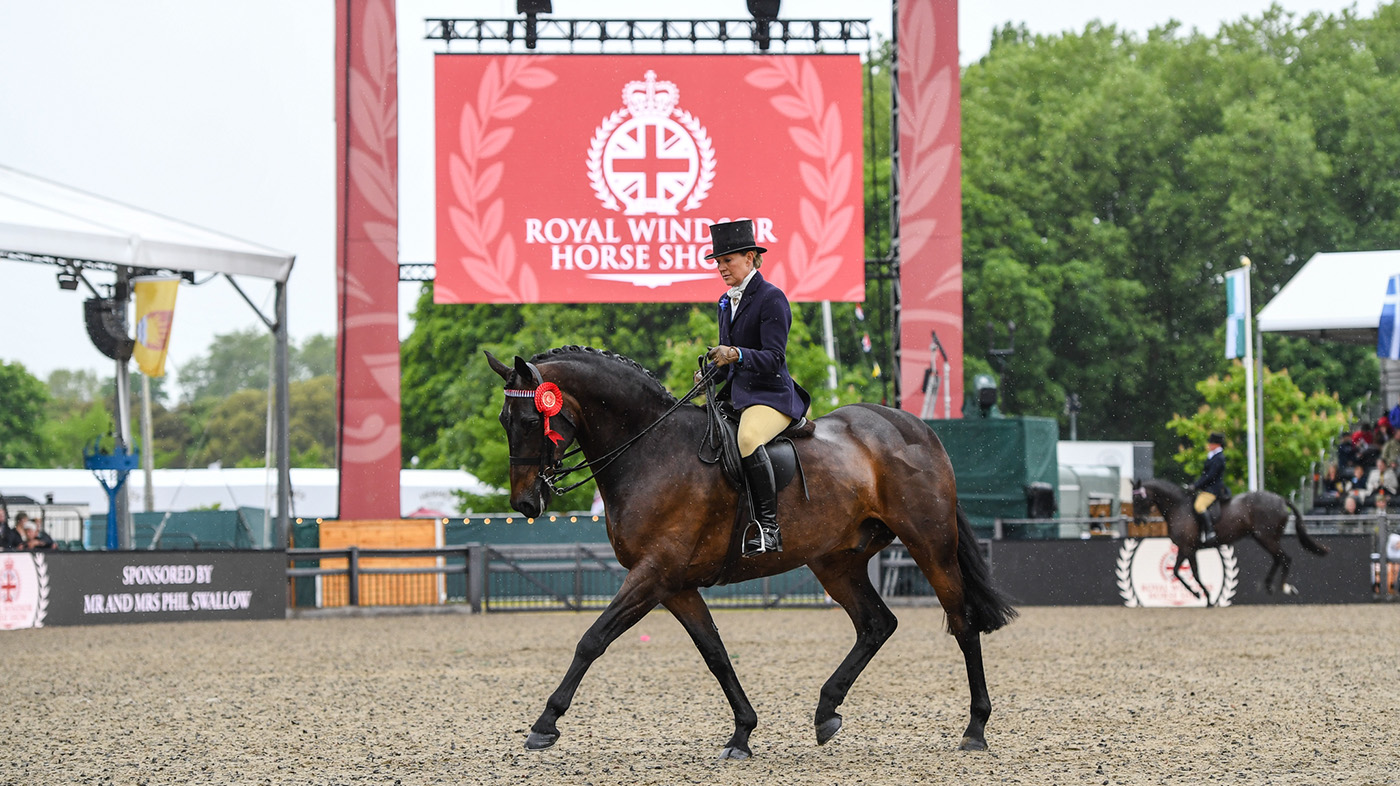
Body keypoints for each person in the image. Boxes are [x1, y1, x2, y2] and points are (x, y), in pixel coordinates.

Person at [694, 219, 809, 557]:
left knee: (747, 438)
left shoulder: (772, 298)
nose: (721, 268)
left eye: (727, 260)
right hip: (737, 395)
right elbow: (728, 359)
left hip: (770, 396)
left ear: (750, 257)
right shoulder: (724, 302)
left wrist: (737, 354)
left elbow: (773, 358)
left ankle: (769, 528)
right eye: (717, 262)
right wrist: (708, 377)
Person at [1191, 432, 1228, 547]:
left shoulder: (1219, 458)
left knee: (1199, 506)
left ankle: (1210, 531)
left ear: (1216, 445)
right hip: (1207, 487)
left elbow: (1210, 476)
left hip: (1213, 489)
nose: (1209, 445)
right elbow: (1205, 475)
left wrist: (1196, 485)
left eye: (1211, 443)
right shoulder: (1213, 456)